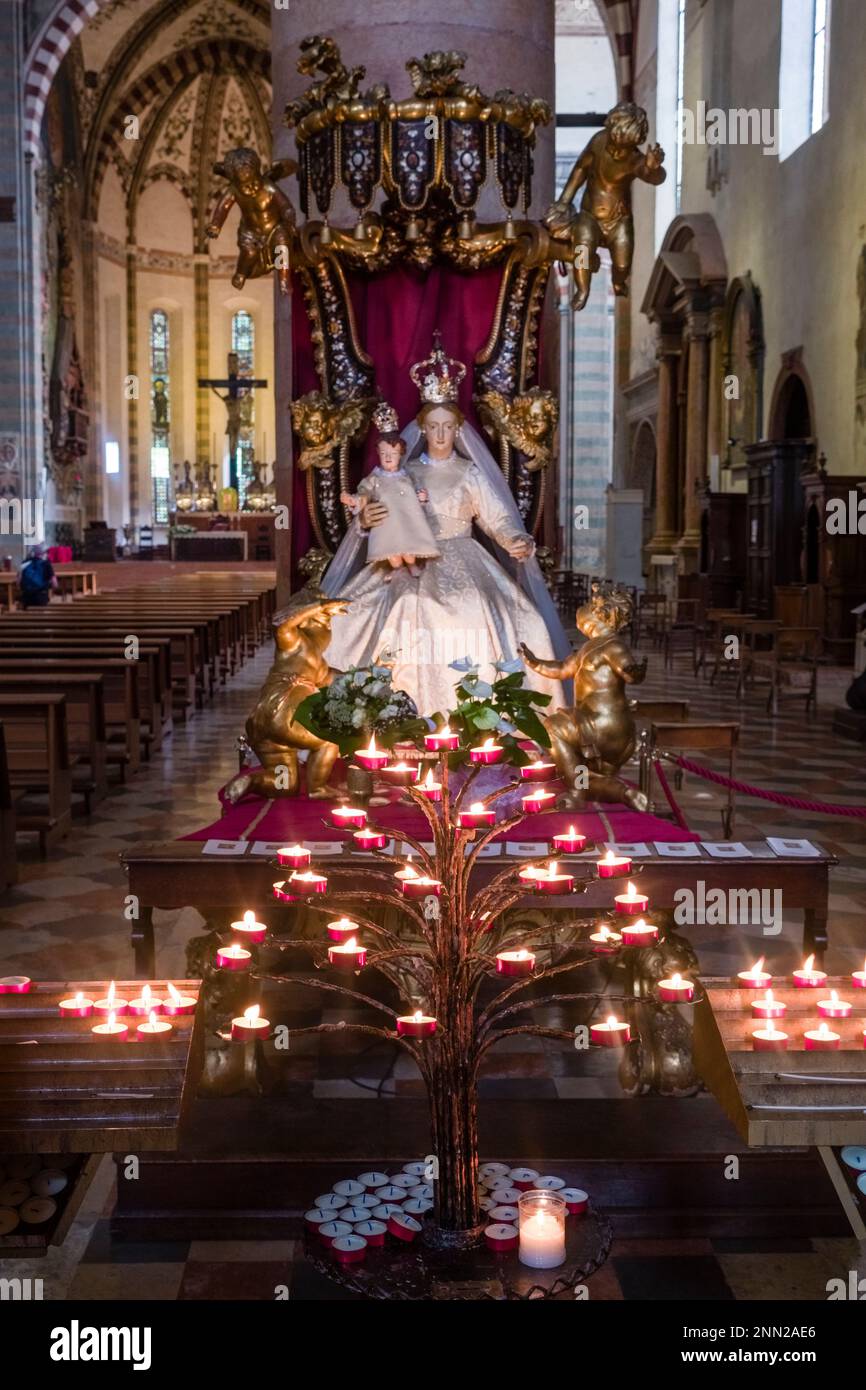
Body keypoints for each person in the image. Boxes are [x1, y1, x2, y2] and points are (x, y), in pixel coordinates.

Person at [322, 339, 569, 716]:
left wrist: (514, 538)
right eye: (433, 427)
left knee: (492, 611)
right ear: (421, 429)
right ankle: (387, 712)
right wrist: (366, 519)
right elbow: (375, 509)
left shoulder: (470, 473)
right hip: (408, 554)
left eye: (447, 427)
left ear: (458, 429)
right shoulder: (404, 472)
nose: (440, 435)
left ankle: (479, 714)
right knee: (369, 611)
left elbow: (497, 517)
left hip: (464, 556)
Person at [339, 401, 440, 580]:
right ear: (377, 453)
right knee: (392, 554)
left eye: (392, 454)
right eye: (384, 453)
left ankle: (411, 565)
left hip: (408, 524)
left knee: (410, 551)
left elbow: (417, 490)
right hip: (387, 525)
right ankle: (397, 568)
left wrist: (422, 498)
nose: (388, 457)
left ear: (401, 454)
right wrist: (354, 501)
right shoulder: (374, 478)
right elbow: (364, 493)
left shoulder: (407, 476)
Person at [18, 544, 58, 608]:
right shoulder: (46, 564)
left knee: (27, 616)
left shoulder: (24, 563)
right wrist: (48, 586)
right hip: (41, 596)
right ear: (43, 553)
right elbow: (55, 584)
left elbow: (18, 582)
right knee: (41, 616)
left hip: (27, 597)